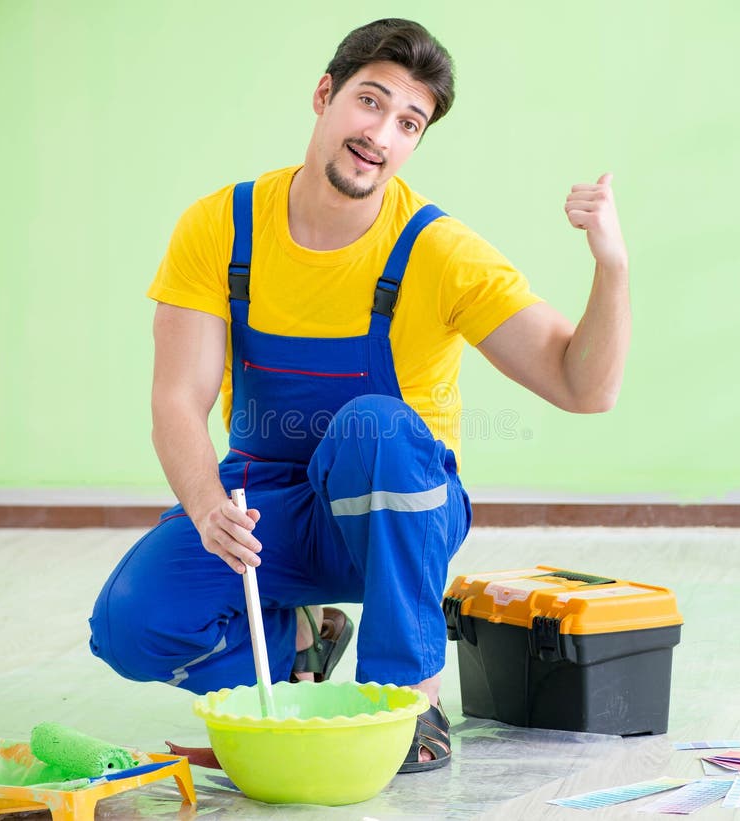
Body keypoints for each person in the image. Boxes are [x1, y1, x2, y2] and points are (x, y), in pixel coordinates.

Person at [89, 18, 629, 773]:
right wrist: (209, 506)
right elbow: (176, 399)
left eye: (408, 122)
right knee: (129, 623)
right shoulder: (222, 227)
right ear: (324, 95)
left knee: (373, 427)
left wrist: (611, 267)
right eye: (370, 103)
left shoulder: (436, 250)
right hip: (262, 504)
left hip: (399, 514)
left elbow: (585, 385)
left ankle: (408, 698)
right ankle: (300, 647)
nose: (382, 133)